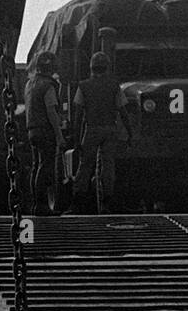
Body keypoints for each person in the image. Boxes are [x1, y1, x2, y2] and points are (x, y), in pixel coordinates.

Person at [71, 51, 130, 211]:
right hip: (110, 129)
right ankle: (107, 201)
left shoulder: (83, 86)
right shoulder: (114, 86)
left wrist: (76, 140)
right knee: (108, 166)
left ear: (91, 67)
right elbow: (123, 111)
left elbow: (78, 115)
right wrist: (129, 133)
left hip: (91, 130)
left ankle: (78, 202)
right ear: (107, 67)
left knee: (85, 165)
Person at [25, 51, 65, 214]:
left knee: (36, 166)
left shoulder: (30, 84)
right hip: (45, 131)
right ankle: (42, 205)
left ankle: (35, 203)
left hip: (32, 129)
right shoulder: (49, 85)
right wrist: (59, 135)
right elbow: (51, 111)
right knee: (46, 166)